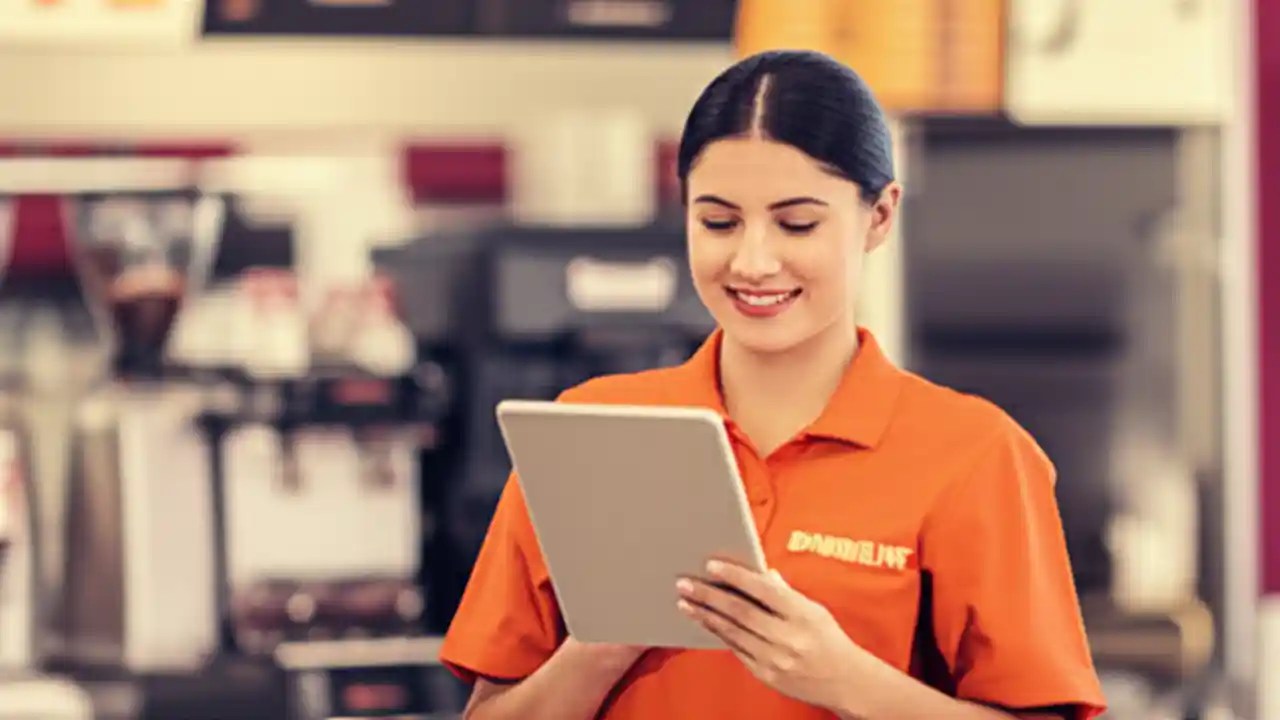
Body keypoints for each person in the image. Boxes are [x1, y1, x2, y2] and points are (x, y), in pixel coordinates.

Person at [438, 49, 1108, 720]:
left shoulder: (975, 454)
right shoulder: (589, 429)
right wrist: (599, 647)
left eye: (797, 224)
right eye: (718, 222)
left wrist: (845, 679)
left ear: (878, 217)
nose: (753, 262)